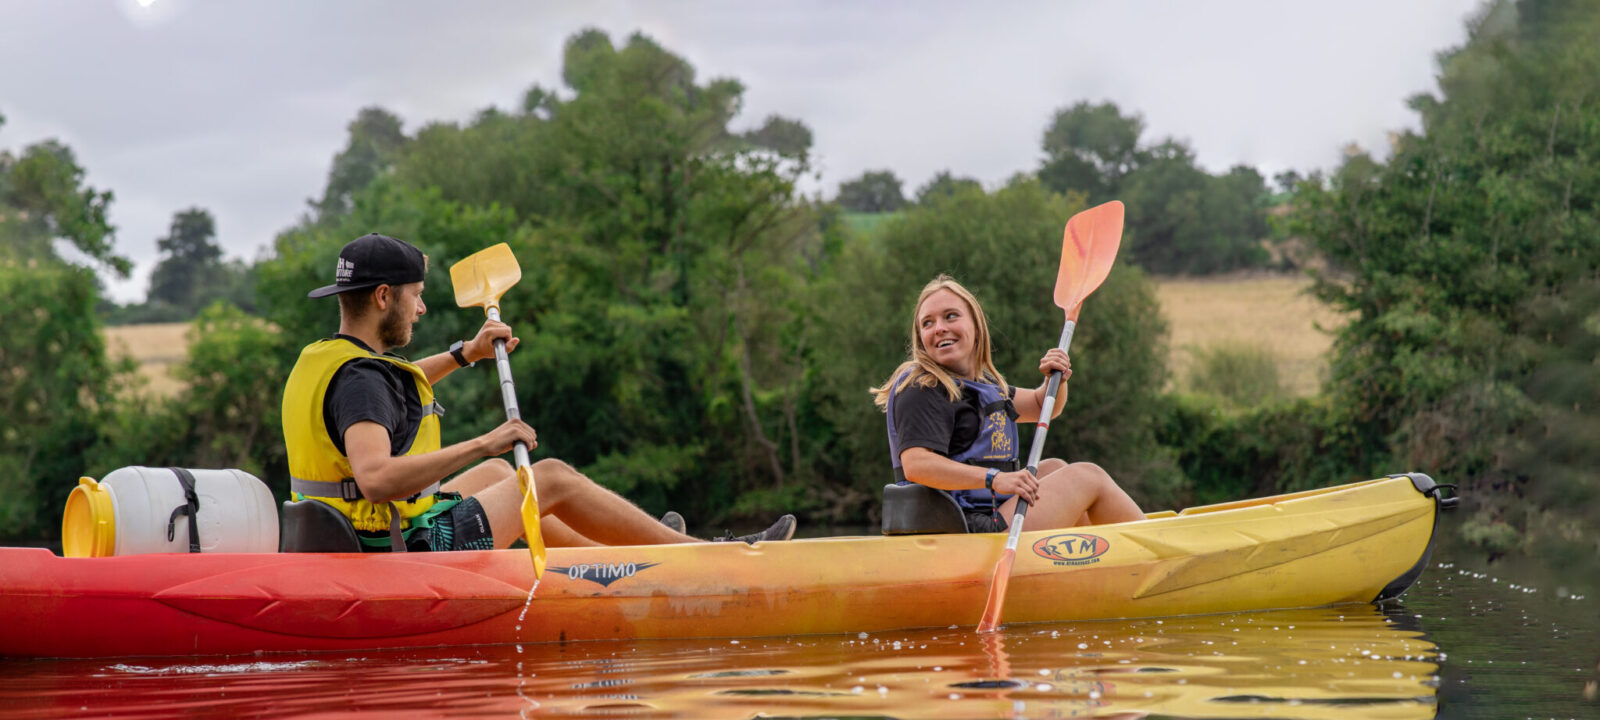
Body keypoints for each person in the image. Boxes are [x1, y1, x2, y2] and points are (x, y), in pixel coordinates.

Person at [282, 233, 795, 552]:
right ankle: (703, 554)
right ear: (383, 296)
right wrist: (484, 440)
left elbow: (392, 388)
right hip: (400, 549)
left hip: (360, 534)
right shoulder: (362, 380)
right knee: (546, 478)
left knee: (499, 475)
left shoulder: (332, 358)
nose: (421, 309)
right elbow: (374, 480)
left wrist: (465, 354)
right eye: (416, 297)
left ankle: (609, 560)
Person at [870, 274, 1143, 533]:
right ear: (921, 339)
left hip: (988, 512)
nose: (939, 327)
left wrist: (1054, 381)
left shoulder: (983, 385)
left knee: (1056, 468)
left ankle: (1090, 561)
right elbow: (917, 466)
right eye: (927, 323)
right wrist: (995, 478)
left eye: (950, 316)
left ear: (975, 326)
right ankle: (1154, 548)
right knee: (1088, 477)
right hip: (964, 526)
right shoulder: (922, 387)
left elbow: (1041, 406)